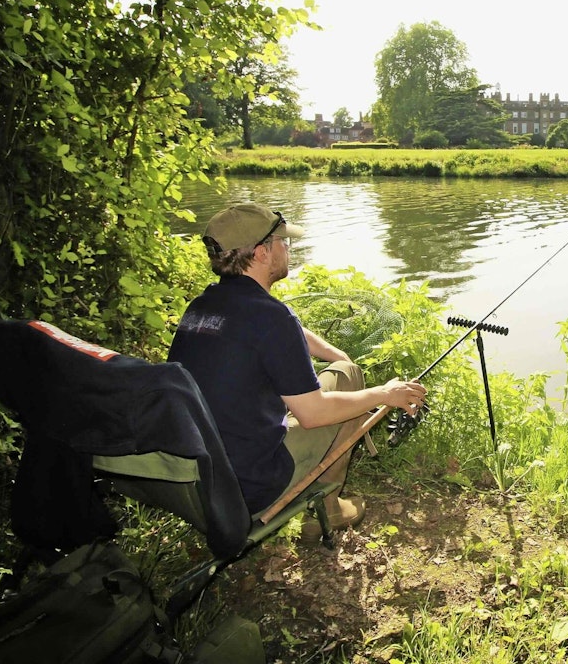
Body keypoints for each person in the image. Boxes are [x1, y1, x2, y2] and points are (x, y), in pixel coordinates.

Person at [168, 202, 426, 531]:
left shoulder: (202, 307)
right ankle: (328, 510)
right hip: (250, 487)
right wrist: (384, 393)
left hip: (200, 481)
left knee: (342, 370)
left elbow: (279, 328)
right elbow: (313, 414)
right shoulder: (271, 318)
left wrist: (336, 354)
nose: (288, 249)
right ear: (262, 253)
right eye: (283, 242)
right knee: (347, 379)